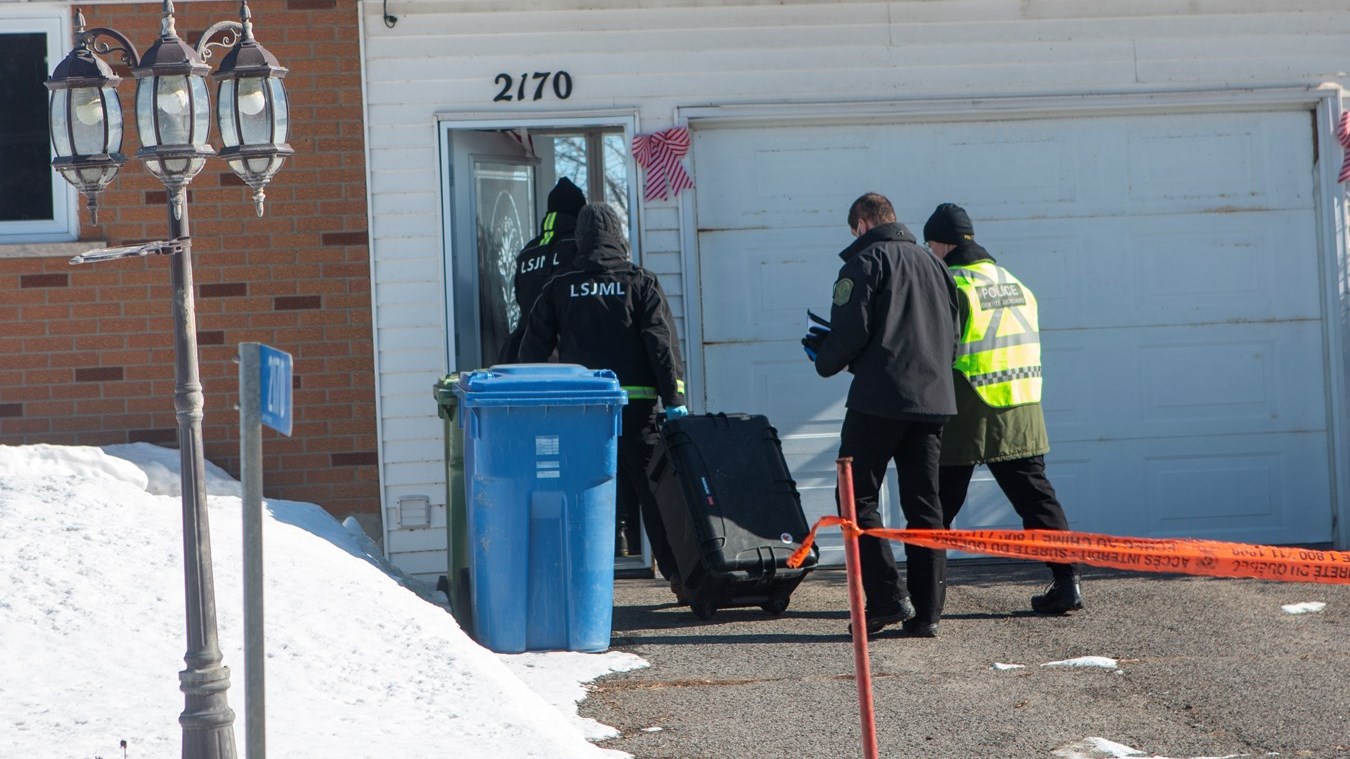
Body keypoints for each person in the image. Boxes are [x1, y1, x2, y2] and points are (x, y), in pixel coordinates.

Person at [801, 192, 960, 638]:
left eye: (855, 231)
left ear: (864, 225)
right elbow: (954, 333)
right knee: (926, 504)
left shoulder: (864, 263)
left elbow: (852, 333)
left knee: (856, 499)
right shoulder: (936, 265)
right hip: (933, 401)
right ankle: (928, 612)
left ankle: (889, 599)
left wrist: (825, 356)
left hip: (880, 398)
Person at [519, 202, 690, 600]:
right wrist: (674, 396)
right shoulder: (640, 282)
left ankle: (578, 581)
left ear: (580, 239)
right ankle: (680, 575)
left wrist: (532, 402)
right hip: (638, 410)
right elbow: (662, 346)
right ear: (618, 236)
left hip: (582, 413)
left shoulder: (560, 285)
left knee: (582, 490)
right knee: (655, 495)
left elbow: (532, 352)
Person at [922, 202, 1084, 614]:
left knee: (937, 506)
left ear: (940, 244)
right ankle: (1068, 584)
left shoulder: (952, 284)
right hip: (1022, 406)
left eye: (929, 245)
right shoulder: (1014, 282)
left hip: (970, 406)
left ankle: (928, 601)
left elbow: (937, 350)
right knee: (1037, 501)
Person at [496, 177, 586, 364]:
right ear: (580, 214)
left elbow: (521, 300)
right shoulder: (578, 248)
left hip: (524, 349)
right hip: (563, 353)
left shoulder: (527, 252)